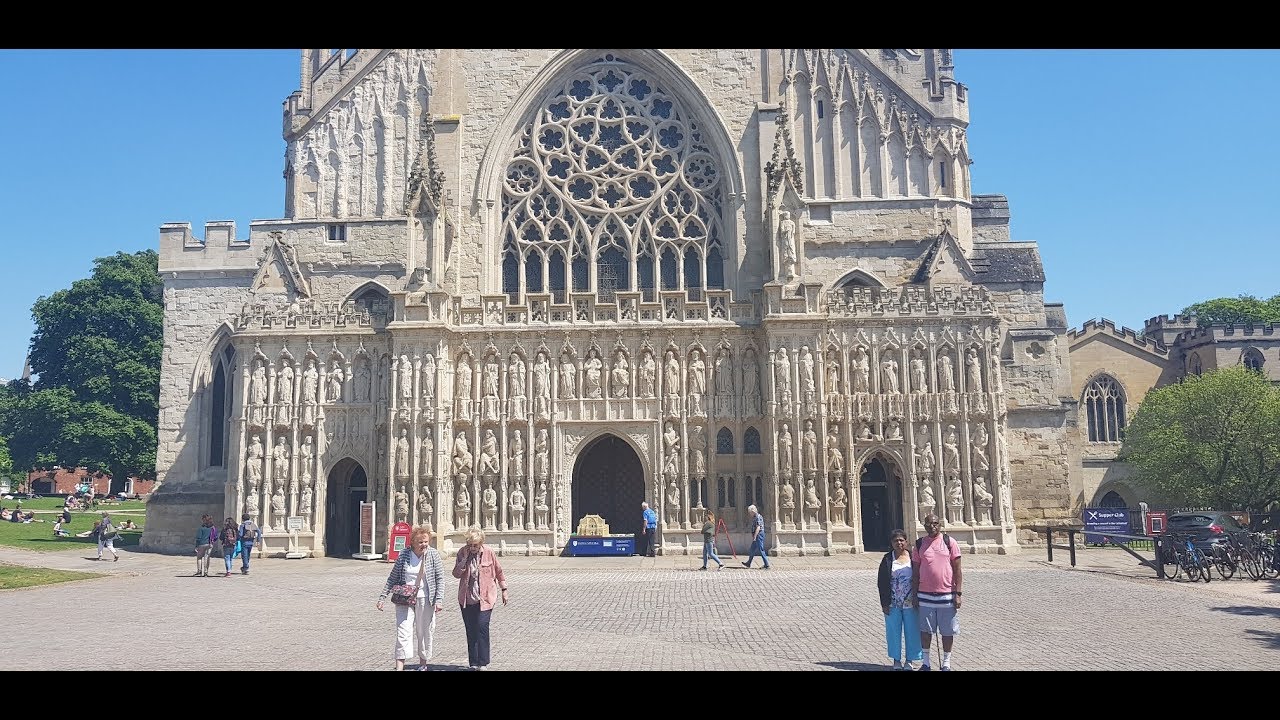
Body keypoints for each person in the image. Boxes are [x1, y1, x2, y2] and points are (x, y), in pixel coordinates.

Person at [377, 524, 445, 671]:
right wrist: (382, 597)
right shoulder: (404, 554)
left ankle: (423, 664)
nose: (424, 544)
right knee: (403, 631)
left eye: (426, 541)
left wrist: (439, 600)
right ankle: (399, 667)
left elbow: (440, 578)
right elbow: (393, 577)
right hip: (405, 599)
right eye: (420, 542)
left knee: (424, 632)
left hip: (426, 598)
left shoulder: (433, 554)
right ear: (413, 542)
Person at [452, 526, 509, 670]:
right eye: (470, 544)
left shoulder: (489, 552)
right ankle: (473, 662)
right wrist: (464, 560)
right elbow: (456, 574)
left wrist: (504, 589)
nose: (472, 548)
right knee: (471, 630)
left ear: (481, 543)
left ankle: (483, 662)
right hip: (467, 598)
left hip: (486, 597)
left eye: (475, 545)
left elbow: (498, 571)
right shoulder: (462, 552)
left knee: (482, 627)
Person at [911, 513, 962, 671]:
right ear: (924, 525)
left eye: (935, 523)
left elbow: (958, 569)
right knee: (925, 631)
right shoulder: (919, 544)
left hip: (946, 595)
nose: (932, 526)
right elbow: (915, 571)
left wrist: (958, 593)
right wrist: (914, 594)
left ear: (940, 525)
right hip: (925, 595)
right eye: (929, 524)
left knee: (947, 630)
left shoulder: (950, 542)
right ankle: (926, 662)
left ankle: (946, 662)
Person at [878, 529, 923, 670]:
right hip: (893, 602)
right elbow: (881, 582)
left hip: (911, 602)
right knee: (893, 632)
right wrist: (884, 603)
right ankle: (896, 659)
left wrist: (919, 597)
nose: (899, 543)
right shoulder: (887, 559)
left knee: (912, 631)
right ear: (891, 543)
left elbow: (920, 577)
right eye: (895, 541)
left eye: (901, 540)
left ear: (906, 542)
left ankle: (910, 660)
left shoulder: (913, 557)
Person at [741, 504, 770, 569]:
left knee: (761, 549)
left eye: (750, 512)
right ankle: (748, 563)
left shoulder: (758, 517)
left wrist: (755, 536)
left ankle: (766, 564)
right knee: (752, 549)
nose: (749, 514)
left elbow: (758, 527)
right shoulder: (755, 517)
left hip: (759, 535)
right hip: (757, 535)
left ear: (753, 511)